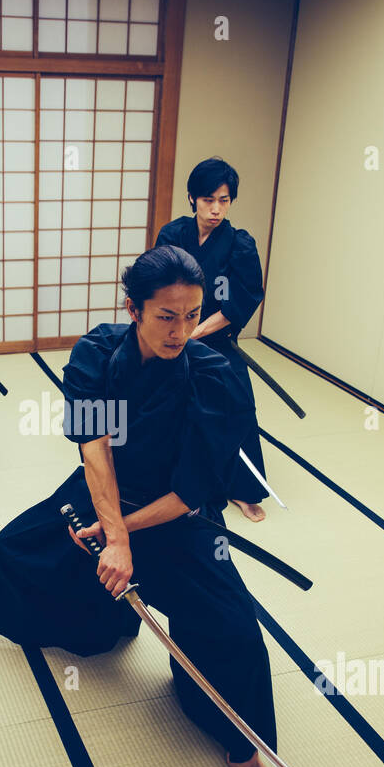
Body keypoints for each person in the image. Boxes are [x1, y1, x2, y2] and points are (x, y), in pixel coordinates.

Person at [0, 246, 293, 767]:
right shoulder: (97, 354)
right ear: (134, 309)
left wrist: (118, 532)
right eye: (167, 316)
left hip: (176, 517)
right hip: (104, 495)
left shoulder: (212, 377)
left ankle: (246, 754)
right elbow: (93, 447)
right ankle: (103, 618)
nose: (182, 330)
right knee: (14, 553)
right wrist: (111, 534)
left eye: (192, 314)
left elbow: (192, 491)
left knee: (233, 630)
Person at [155, 157, 270, 522]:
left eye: (224, 200)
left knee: (239, 407)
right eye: (208, 200)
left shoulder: (240, 243)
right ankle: (165, 479)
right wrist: (176, 330)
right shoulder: (173, 235)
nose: (216, 209)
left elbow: (243, 298)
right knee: (160, 402)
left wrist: (199, 331)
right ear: (192, 198)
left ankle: (244, 488)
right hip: (172, 335)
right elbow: (156, 283)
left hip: (217, 339)